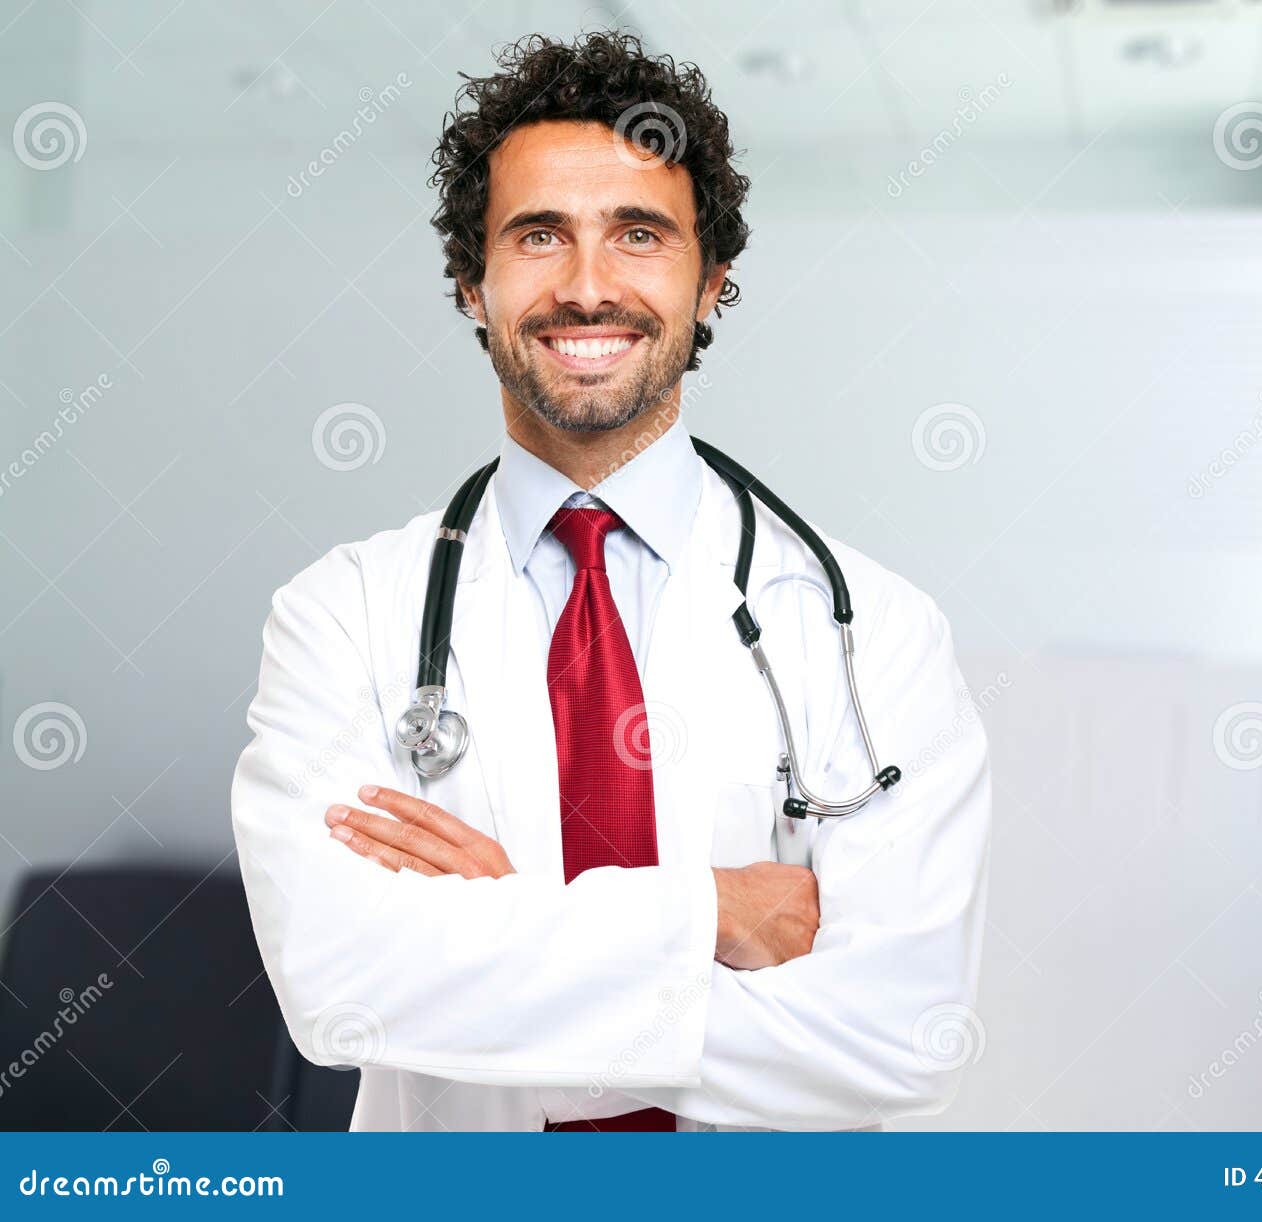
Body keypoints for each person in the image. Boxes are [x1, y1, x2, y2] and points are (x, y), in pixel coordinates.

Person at [231, 29, 992, 1132]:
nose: (587, 287)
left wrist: (508, 929)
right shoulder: (340, 616)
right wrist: (712, 915)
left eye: (639, 235)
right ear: (470, 287)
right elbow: (341, 988)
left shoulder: (873, 630)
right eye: (538, 236)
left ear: (710, 283)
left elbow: (900, 1042)